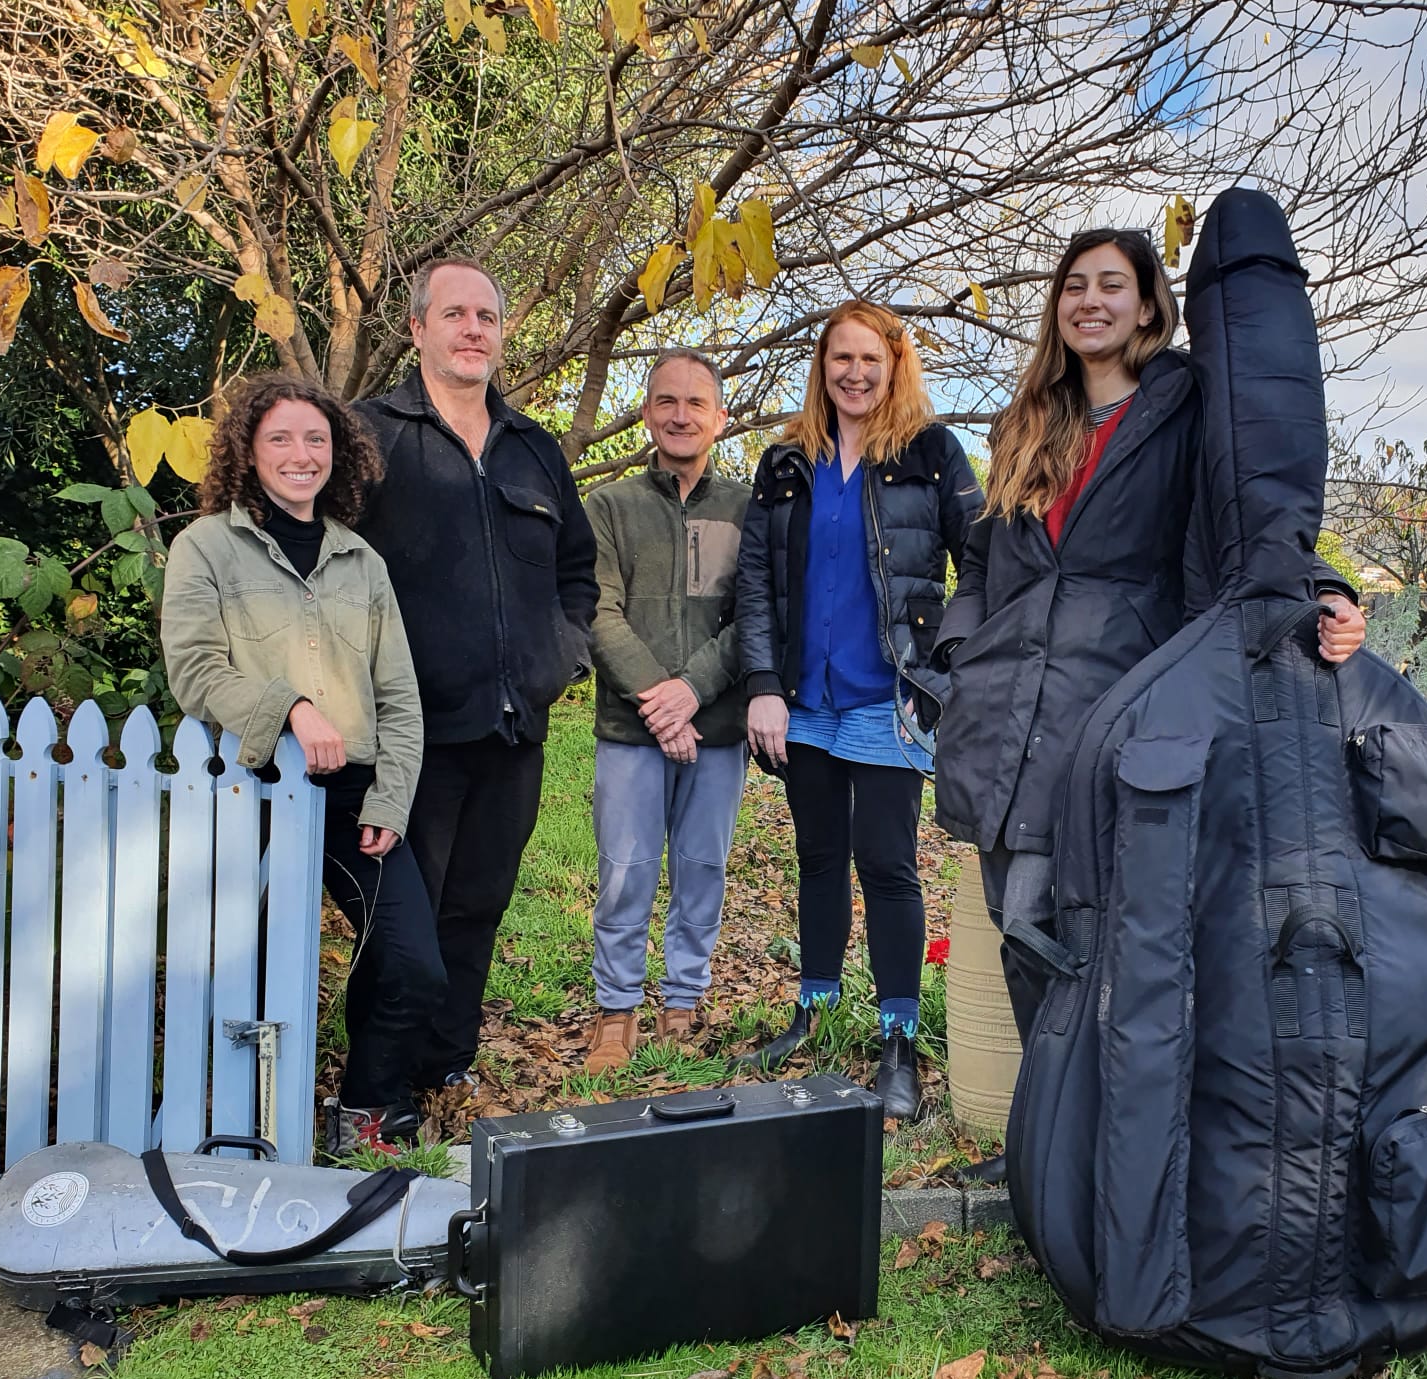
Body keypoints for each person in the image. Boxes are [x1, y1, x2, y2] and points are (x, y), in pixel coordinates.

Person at [935, 227, 1368, 1065]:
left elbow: (1250, 516)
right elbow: (981, 562)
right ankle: (1048, 1141)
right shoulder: (1026, 420)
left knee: (1050, 925)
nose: (1089, 302)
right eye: (1073, 286)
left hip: (1110, 700)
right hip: (1002, 704)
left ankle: (1087, 1140)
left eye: (1110, 286)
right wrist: (959, 652)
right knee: (1015, 924)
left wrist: (1324, 587)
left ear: (1146, 307)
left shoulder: (1183, 407)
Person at [162, 373, 442, 1159]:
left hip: (352, 794)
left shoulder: (361, 562)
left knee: (413, 964)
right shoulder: (206, 547)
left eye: (316, 438)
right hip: (251, 786)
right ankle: (238, 1130)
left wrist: (389, 800)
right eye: (280, 437)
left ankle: (363, 1111)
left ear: (338, 453)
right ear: (248, 450)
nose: (300, 453)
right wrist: (289, 707)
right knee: (245, 971)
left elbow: (399, 697)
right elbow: (193, 669)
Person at [354, 257, 599, 1098]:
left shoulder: (532, 450)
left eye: (486, 317)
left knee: (477, 909)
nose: (473, 330)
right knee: (405, 921)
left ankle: (445, 1069)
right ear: (418, 328)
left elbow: (578, 571)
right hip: (409, 731)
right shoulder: (369, 436)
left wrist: (556, 661)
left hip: (511, 729)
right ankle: (378, 1091)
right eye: (453, 314)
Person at [735, 301, 982, 1120]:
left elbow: (978, 563)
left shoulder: (930, 454)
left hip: (890, 699)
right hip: (804, 701)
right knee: (817, 857)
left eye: (870, 358)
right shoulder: (787, 464)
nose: (855, 373)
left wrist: (943, 663)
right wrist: (763, 684)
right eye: (841, 358)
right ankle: (815, 1006)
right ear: (823, 365)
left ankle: (899, 1037)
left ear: (895, 362)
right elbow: (758, 589)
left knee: (886, 863)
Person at [579, 350, 752, 1073]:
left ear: (720, 416)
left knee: (702, 866)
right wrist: (660, 698)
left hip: (716, 732)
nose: (680, 415)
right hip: (631, 729)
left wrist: (694, 694)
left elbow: (757, 617)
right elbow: (596, 609)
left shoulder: (748, 510)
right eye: (665, 401)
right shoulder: (610, 507)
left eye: (695, 402)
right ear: (647, 411)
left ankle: (683, 1001)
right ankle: (616, 1010)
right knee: (625, 869)